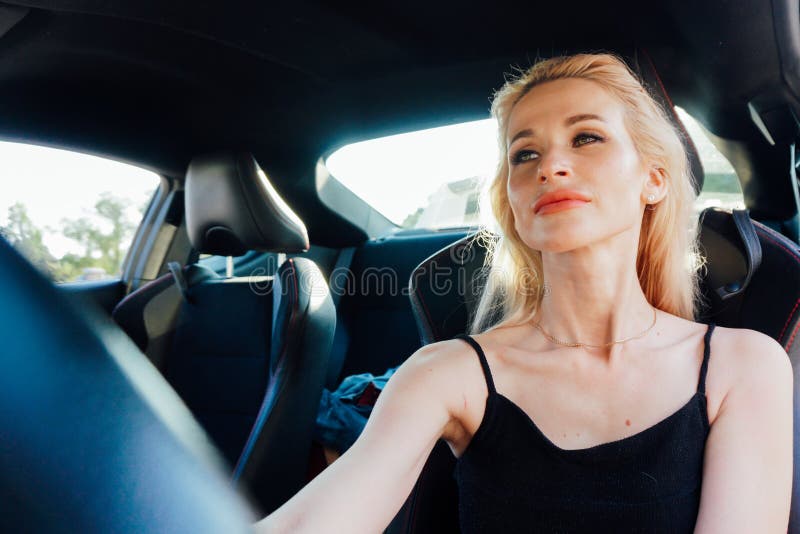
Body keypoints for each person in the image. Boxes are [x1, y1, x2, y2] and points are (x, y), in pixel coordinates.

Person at [256, 53, 793, 533]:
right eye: (524, 154)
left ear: (653, 179)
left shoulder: (743, 366)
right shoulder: (445, 374)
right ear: (510, 199)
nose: (550, 167)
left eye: (586, 138)